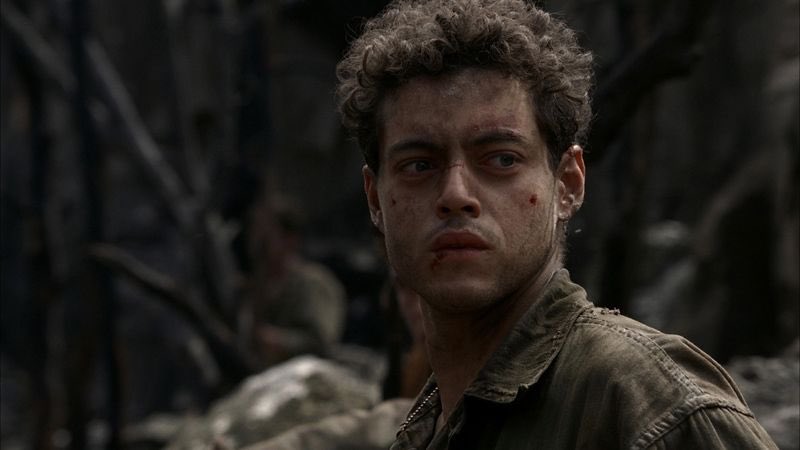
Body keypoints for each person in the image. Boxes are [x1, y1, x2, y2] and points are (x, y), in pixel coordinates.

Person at [335, 0, 778, 448]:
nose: (455, 195)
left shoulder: (645, 406)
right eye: (418, 165)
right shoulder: (430, 427)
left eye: (501, 160)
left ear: (568, 183)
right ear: (375, 199)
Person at [239, 192, 347, 368]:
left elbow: (320, 343)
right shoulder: (253, 287)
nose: (257, 241)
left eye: (267, 235)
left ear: (290, 239)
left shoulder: (312, 283)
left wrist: (278, 341)